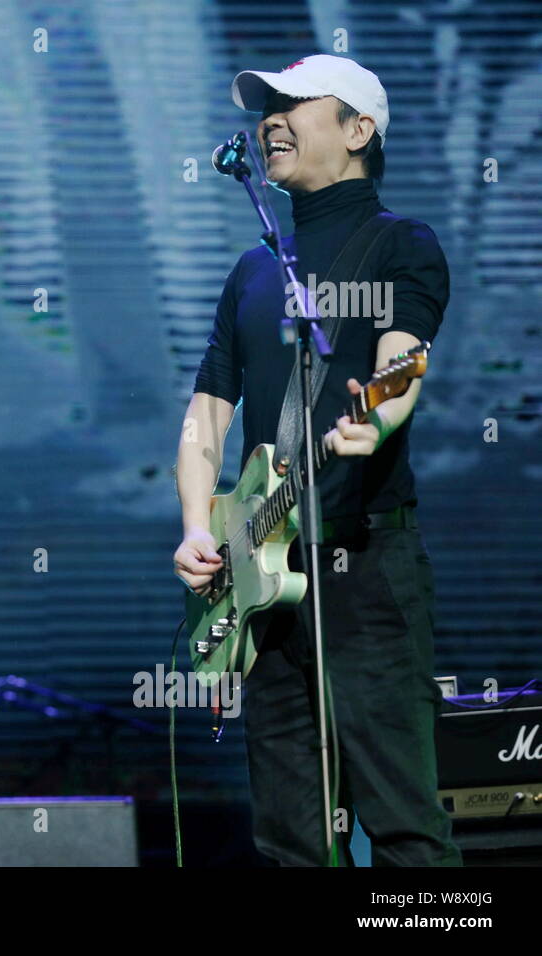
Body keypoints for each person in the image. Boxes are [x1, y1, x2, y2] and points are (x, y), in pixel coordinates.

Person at [172, 56, 461, 865]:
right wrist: (199, 525)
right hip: (264, 583)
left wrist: (382, 415)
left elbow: (402, 366)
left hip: (365, 568)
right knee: (291, 837)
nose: (271, 118)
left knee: (403, 822)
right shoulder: (256, 270)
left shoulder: (401, 244)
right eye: (265, 105)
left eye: (295, 103)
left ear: (359, 129)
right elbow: (206, 414)